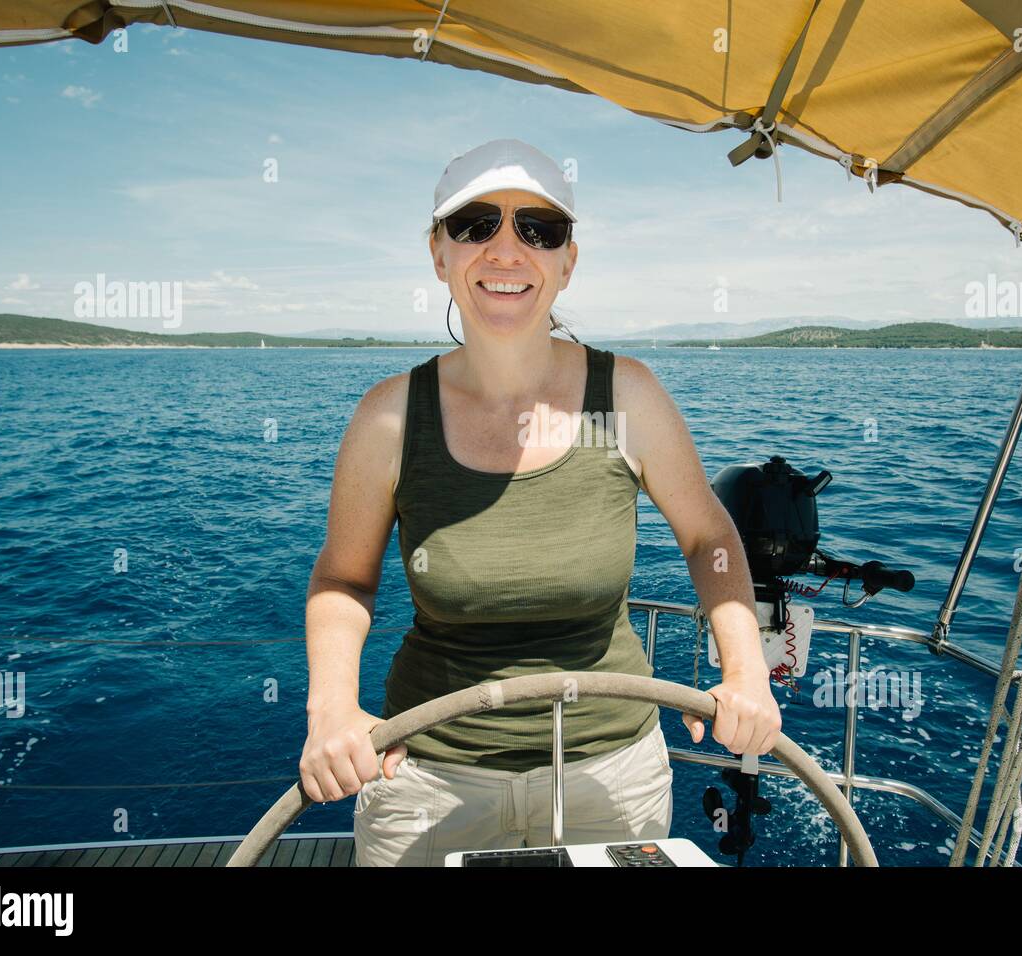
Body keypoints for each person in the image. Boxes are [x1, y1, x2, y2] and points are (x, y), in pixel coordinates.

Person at [300, 138, 780, 866]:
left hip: (611, 769)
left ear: (567, 261)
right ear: (438, 252)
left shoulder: (627, 398)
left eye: (538, 229)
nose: (505, 250)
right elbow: (343, 579)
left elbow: (708, 534)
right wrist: (330, 707)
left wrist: (745, 669)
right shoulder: (390, 420)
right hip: (429, 775)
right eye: (475, 225)